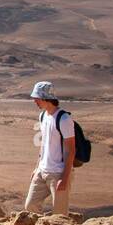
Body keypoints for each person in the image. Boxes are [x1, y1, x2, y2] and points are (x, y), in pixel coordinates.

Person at [25, 80, 75, 215]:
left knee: (60, 214)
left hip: (58, 173)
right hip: (42, 171)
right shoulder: (43, 116)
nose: (35, 101)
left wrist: (65, 178)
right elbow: (43, 145)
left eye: (37, 98)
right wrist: (37, 168)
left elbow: (71, 150)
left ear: (45, 98)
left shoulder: (64, 119)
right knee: (30, 206)